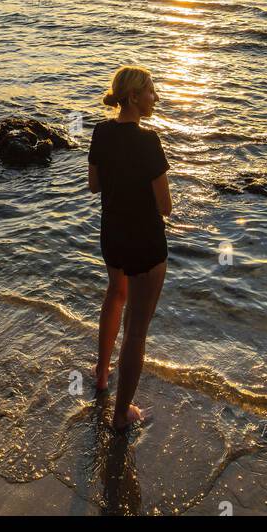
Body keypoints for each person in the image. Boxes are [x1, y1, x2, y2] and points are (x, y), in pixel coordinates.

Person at [88, 65, 172, 431]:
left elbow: (94, 185)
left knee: (115, 294)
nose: (156, 96)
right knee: (137, 331)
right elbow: (165, 206)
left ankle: (102, 374)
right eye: (152, 90)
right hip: (145, 241)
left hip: (113, 234)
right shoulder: (148, 141)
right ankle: (122, 414)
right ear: (135, 97)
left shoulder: (101, 132)